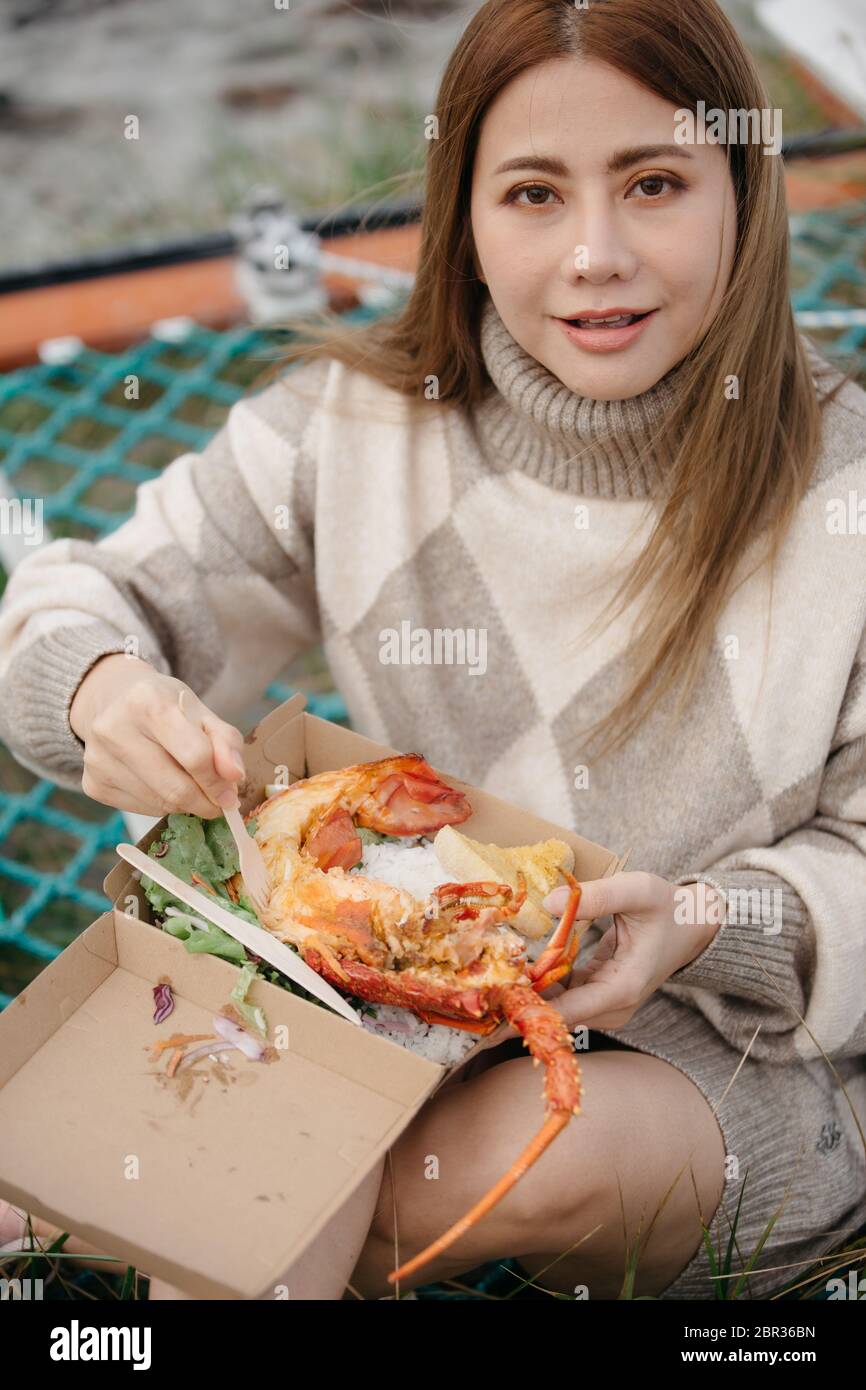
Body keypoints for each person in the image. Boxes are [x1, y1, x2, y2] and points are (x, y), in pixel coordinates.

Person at [1, 0, 865, 1301]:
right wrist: (100, 684)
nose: (594, 253)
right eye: (531, 192)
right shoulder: (345, 432)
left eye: (652, 182)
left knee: (300, 1164)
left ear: (744, 189)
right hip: (397, 985)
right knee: (229, 1167)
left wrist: (697, 921)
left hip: (733, 1051)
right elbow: (92, 597)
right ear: (461, 213)